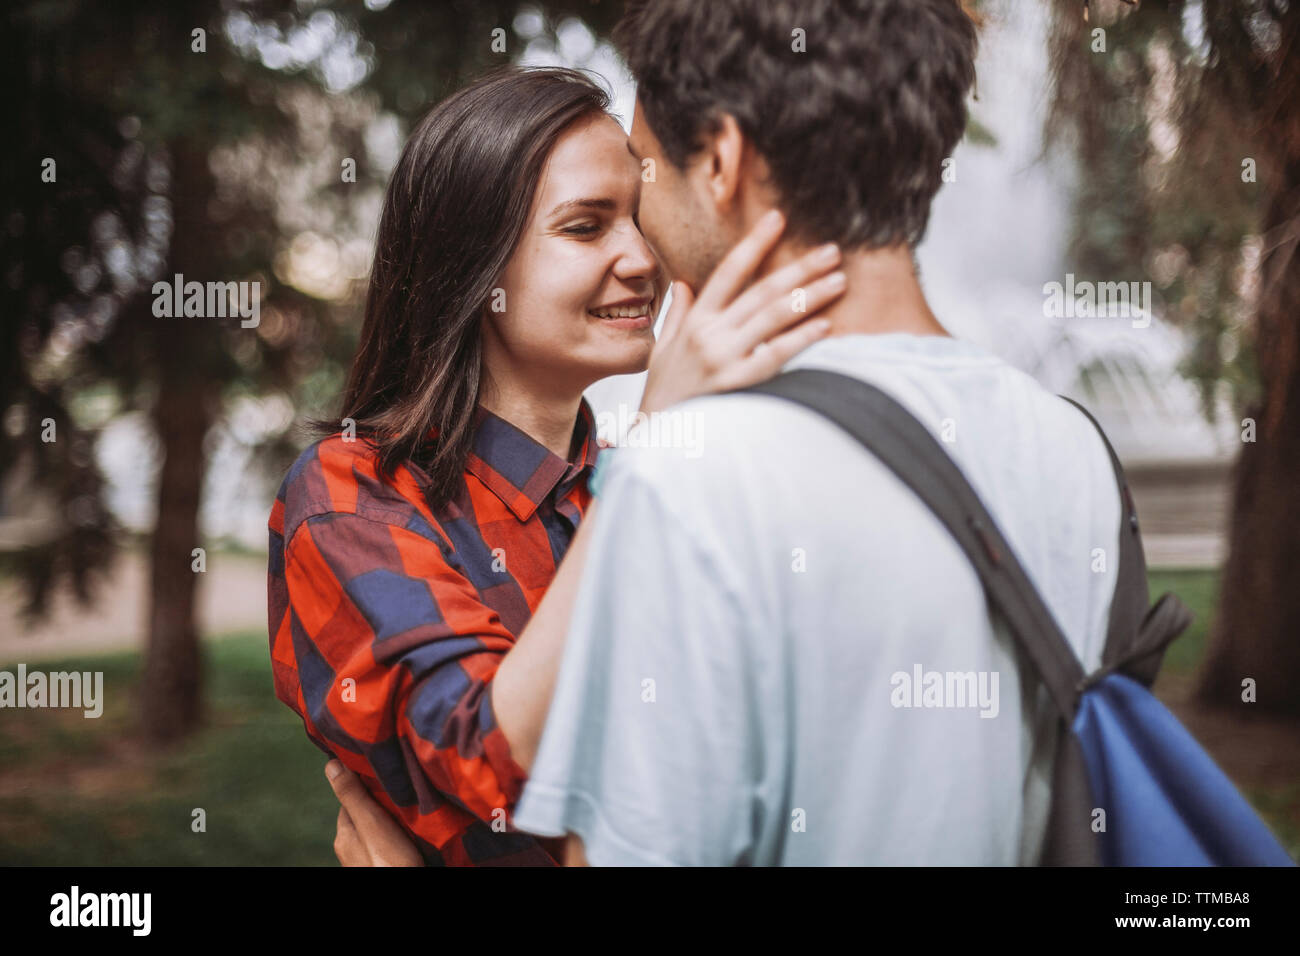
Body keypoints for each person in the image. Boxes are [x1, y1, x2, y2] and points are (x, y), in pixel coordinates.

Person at [330, 0, 1124, 866]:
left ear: (723, 163)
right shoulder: (1074, 447)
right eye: (589, 223)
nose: (642, 254)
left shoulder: (684, 482)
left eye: (646, 176)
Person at [269, 66, 844, 865]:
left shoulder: (631, 484)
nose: (643, 259)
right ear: (472, 266)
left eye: (641, 219)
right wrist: (652, 452)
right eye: (586, 227)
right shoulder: (350, 496)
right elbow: (493, 761)